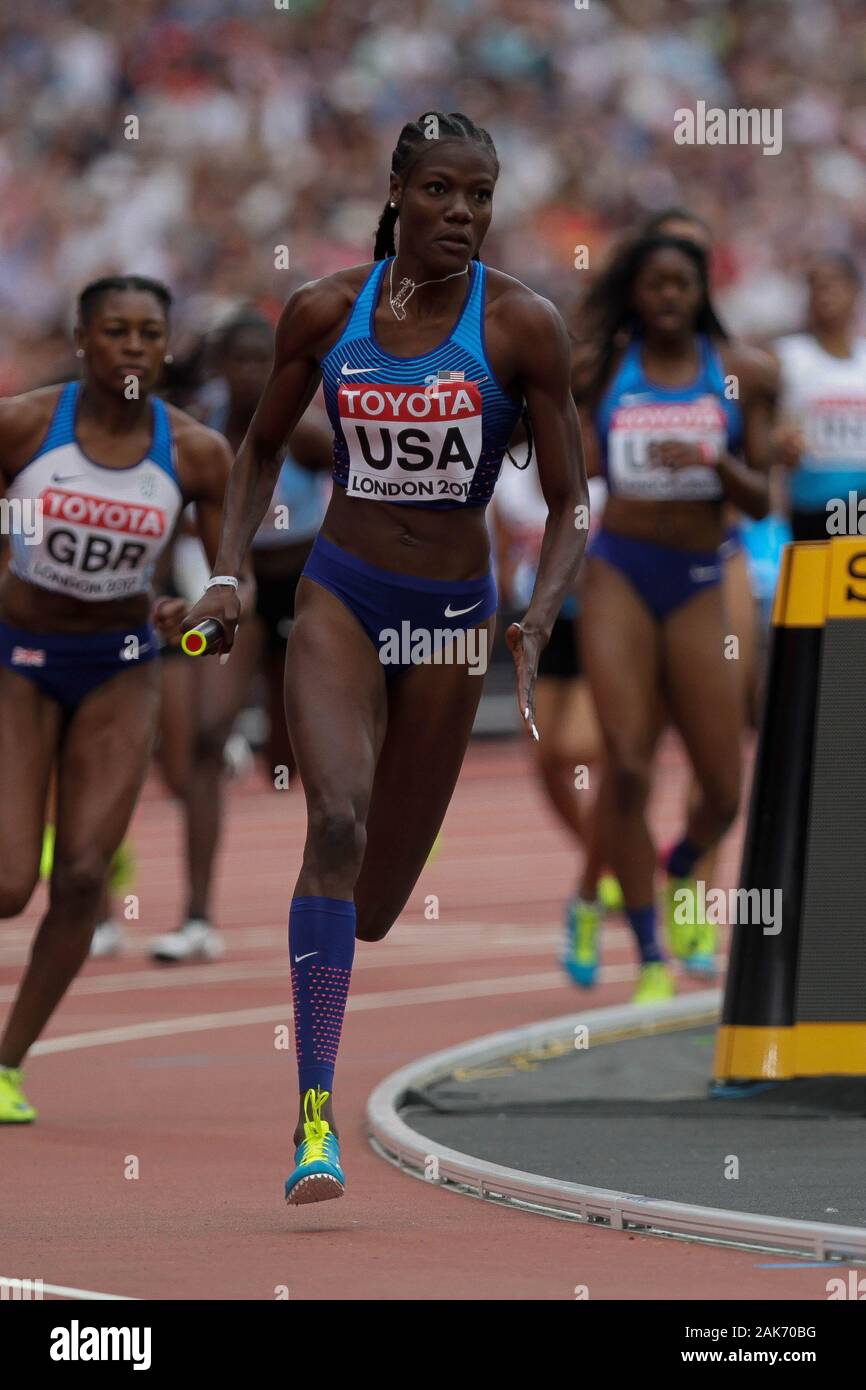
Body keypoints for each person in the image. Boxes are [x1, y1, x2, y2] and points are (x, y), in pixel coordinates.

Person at [181, 112, 588, 1203]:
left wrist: (541, 612)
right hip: (343, 595)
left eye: (479, 196)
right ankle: (313, 1117)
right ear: (398, 193)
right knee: (335, 823)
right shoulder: (324, 312)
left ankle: (340, 954)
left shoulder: (521, 326)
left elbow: (571, 503)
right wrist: (227, 571)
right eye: (440, 191)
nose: (460, 213)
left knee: (374, 901)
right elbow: (257, 447)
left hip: (454, 616)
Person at [0, 274, 249, 1121]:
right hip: (19, 660)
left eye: (150, 332)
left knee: (78, 876)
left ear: (168, 347)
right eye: (116, 331)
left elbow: (226, 595)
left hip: (119, 664)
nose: (134, 346)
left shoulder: (196, 454)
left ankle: (6, 1064)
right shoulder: (26, 426)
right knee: (6, 882)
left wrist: (202, 616)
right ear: (82, 339)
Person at [573, 233, 777, 1002]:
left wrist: (711, 464)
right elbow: (569, 465)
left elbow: (761, 498)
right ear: (633, 292)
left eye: (681, 286)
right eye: (653, 284)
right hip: (620, 572)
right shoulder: (599, 373)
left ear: (702, 295)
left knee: (723, 788)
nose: (666, 297)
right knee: (625, 764)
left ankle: (682, 864)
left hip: (699, 577)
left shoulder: (741, 375)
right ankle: (651, 955)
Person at [145, 310, 331, 963]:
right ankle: (197, 915)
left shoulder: (304, 431)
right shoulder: (204, 430)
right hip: (238, 587)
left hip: (311, 587)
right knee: (204, 732)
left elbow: (369, 492)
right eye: (240, 361)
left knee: (308, 749)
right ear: (222, 366)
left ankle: (355, 871)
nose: (252, 373)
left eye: (264, 360)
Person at [772, 253, 866, 541]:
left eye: (834, 285)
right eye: (816, 286)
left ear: (855, 291)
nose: (825, 295)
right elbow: (733, 386)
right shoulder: (786, 356)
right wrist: (778, 441)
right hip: (810, 501)